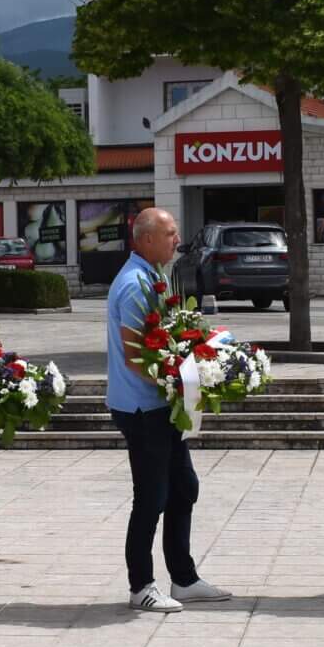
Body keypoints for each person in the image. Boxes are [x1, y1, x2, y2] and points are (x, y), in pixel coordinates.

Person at [106, 207, 231, 613]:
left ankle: (184, 578)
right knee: (152, 496)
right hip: (142, 407)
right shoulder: (133, 285)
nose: (178, 240)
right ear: (145, 239)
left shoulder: (153, 276)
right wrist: (179, 379)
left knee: (184, 488)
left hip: (162, 404)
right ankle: (140, 585)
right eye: (170, 233)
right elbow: (133, 354)